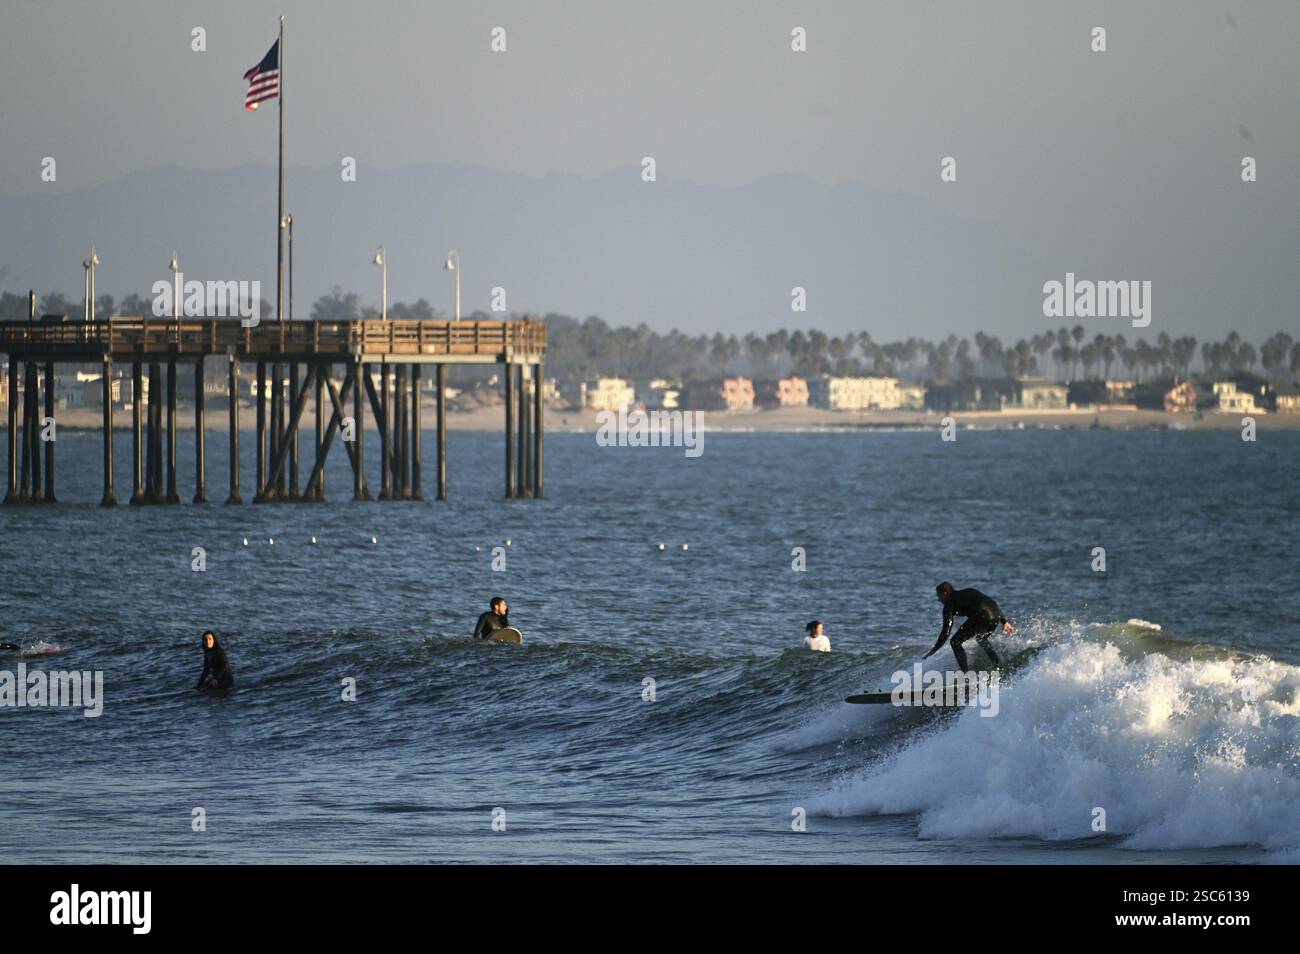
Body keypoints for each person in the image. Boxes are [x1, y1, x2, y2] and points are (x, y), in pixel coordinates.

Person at [923, 581, 1014, 672]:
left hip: (982, 615)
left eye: (939, 596)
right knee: (981, 638)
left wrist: (934, 649)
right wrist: (1004, 622)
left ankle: (966, 674)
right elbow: (991, 603)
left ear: (945, 593)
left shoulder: (949, 604)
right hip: (996, 615)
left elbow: (946, 630)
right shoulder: (969, 591)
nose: (939, 600)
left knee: (955, 642)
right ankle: (998, 664)